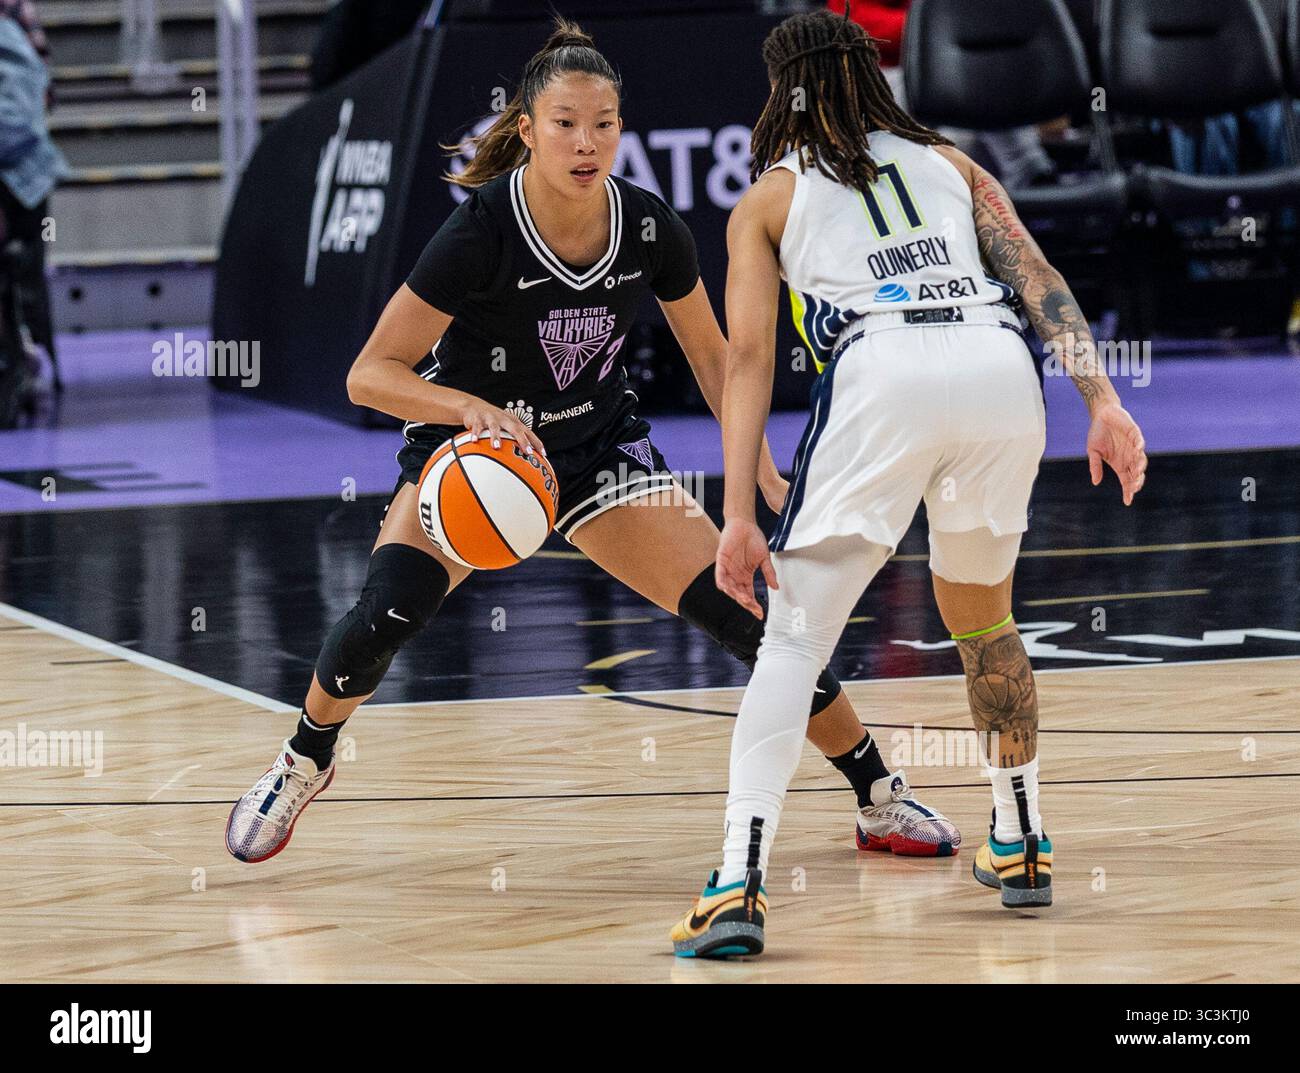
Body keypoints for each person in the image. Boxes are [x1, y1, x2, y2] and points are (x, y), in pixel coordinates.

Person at [226, 19, 960, 866]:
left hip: (597, 453)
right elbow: (369, 374)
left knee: (758, 620)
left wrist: (758, 471)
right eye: (567, 123)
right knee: (388, 613)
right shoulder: (480, 233)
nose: (586, 143)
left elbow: (719, 361)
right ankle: (303, 759)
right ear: (528, 129)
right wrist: (470, 407)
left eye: (604, 123)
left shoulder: (648, 227)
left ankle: (876, 794)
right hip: (474, 459)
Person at [671, 8, 1146, 958]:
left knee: (793, 641)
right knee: (985, 621)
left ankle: (737, 882)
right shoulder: (951, 161)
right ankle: (1019, 841)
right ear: (871, 79)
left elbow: (750, 358)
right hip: (998, 369)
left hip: (884, 369)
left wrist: (733, 511)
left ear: (783, 93)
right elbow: (1039, 276)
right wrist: (1102, 398)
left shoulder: (768, 197)